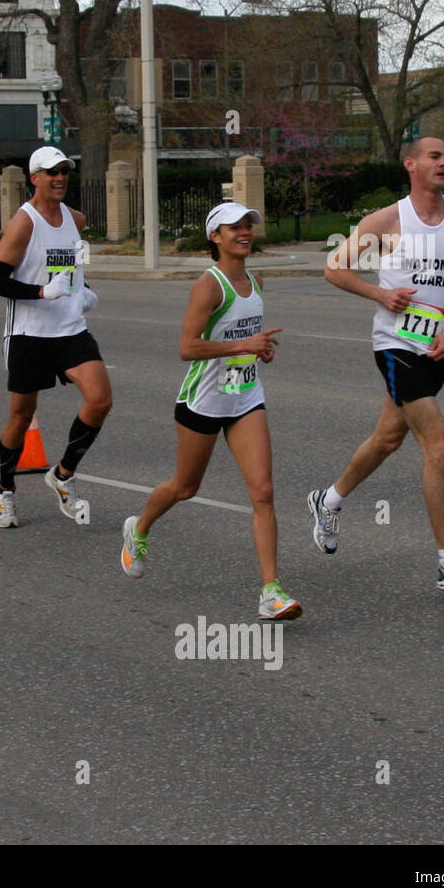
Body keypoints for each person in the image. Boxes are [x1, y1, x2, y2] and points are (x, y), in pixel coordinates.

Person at [308, 136, 444, 594]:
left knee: (388, 439)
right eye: (435, 156)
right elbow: (334, 267)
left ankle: (327, 500)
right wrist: (381, 294)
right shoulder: (389, 219)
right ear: (411, 164)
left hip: (437, 349)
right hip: (395, 344)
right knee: (440, 445)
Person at [118, 204, 301, 620]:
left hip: (246, 397)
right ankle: (139, 528)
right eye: (234, 227)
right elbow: (188, 348)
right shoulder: (209, 286)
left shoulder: (256, 281)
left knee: (263, 492)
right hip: (204, 399)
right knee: (185, 488)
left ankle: (271, 593)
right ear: (214, 237)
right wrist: (243, 346)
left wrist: (260, 350)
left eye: (248, 225)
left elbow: (245, 340)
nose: (245, 232)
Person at [0, 146, 110, 528]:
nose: (59, 178)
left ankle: (63, 474)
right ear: (34, 177)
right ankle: (5, 491)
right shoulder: (25, 222)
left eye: (64, 171)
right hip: (29, 332)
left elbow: (69, 265)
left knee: (100, 399)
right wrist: (40, 293)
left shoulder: (76, 219)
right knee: (21, 417)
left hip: (70, 329)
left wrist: (83, 289)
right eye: (51, 171)